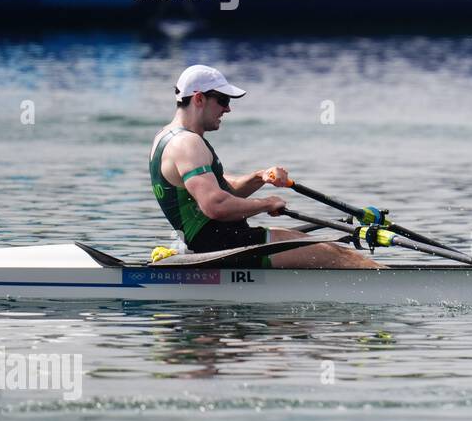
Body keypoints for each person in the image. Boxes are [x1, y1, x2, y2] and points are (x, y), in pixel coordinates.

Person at [149, 65, 379, 268]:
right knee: (344, 257)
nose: (227, 109)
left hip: (222, 241)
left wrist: (260, 177)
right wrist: (266, 203)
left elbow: (220, 186)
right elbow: (215, 204)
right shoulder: (187, 144)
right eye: (223, 100)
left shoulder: (166, 137)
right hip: (226, 246)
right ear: (198, 99)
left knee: (327, 253)